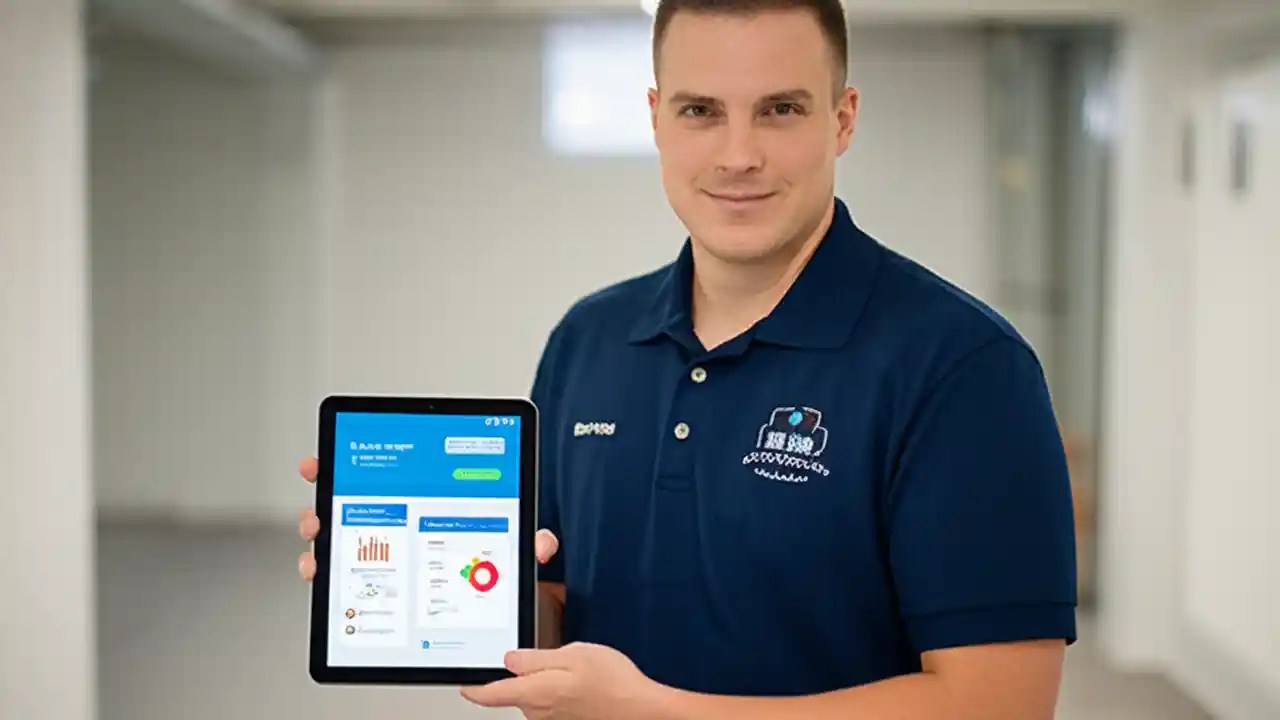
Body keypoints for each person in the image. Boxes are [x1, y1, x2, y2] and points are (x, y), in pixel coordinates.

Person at [298, 0, 1077, 717]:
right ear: (656, 118)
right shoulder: (590, 338)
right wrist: (426, 581)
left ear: (842, 119)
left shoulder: (965, 368)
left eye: (779, 110)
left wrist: (654, 711)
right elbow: (556, 605)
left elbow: (998, 706)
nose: (738, 155)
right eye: (701, 110)